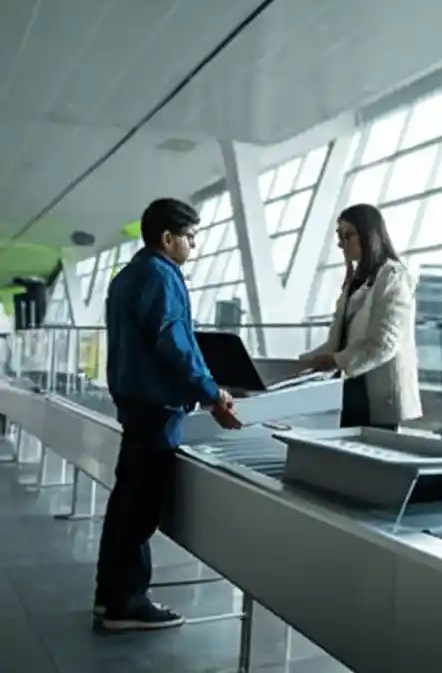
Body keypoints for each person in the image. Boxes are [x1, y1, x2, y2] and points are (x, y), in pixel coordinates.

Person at [94, 198, 242, 632]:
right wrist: (212, 392)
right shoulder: (162, 276)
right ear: (168, 238)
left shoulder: (127, 277)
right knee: (140, 509)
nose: (193, 247)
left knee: (124, 504)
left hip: (133, 402)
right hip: (157, 407)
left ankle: (111, 595)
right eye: (191, 238)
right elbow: (174, 342)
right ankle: (127, 603)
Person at [299, 204, 421, 428]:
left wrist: (336, 361)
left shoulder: (392, 277)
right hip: (348, 389)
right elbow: (339, 342)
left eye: (348, 235)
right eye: (339, 236)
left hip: (374, 395)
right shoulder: (356, 283)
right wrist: (304, 362)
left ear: (368, 234)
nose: (341, 243)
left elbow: (384, 343)